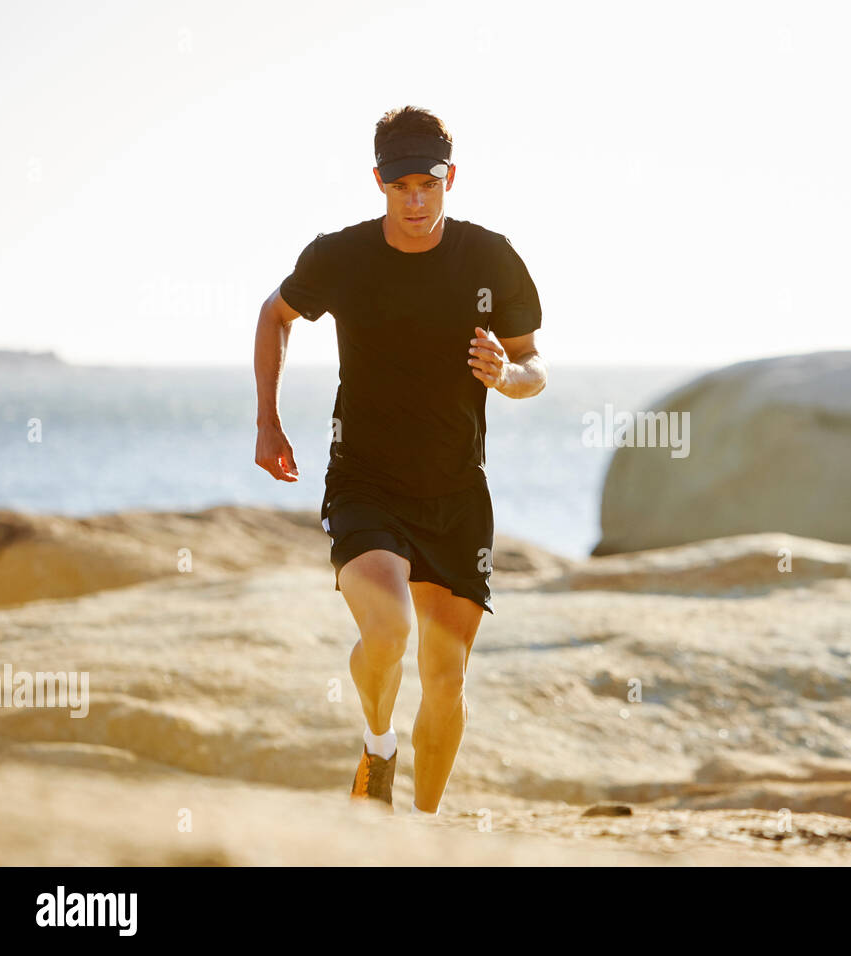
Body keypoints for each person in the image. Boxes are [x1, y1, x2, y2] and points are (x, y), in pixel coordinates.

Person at [252, 105, 547, 817]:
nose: (416, 201)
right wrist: (269, 421)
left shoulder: (490, 258)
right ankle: (377, 745)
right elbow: (275, 313)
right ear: (378, 181)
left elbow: (534, 366)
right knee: (387, 631)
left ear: (452, 178)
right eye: (401, 185)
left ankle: (419, 832)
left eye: (429, 183)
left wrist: (505, 374)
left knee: (445, 682)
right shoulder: (340, 258)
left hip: (456, 492)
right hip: (366, 484)